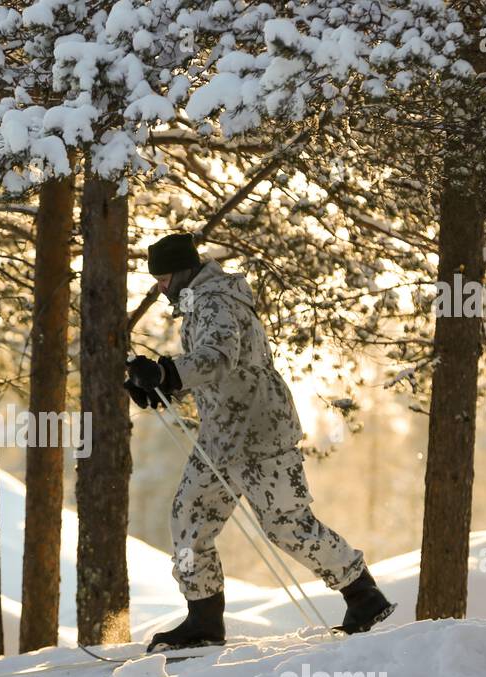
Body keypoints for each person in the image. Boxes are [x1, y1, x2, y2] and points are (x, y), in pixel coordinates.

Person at [124, 233, 394, 651]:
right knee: (190, 518)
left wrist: (166, 374)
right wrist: (161, 386)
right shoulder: (200, 301)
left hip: (260, 430)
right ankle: (203, 620)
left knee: (286, 524)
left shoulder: (215, 300)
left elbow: (218, 357)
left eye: (163, 278)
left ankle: (363, 596)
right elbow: (218, 370)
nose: (160, 287)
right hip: (221, 437)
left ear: (182, 272)